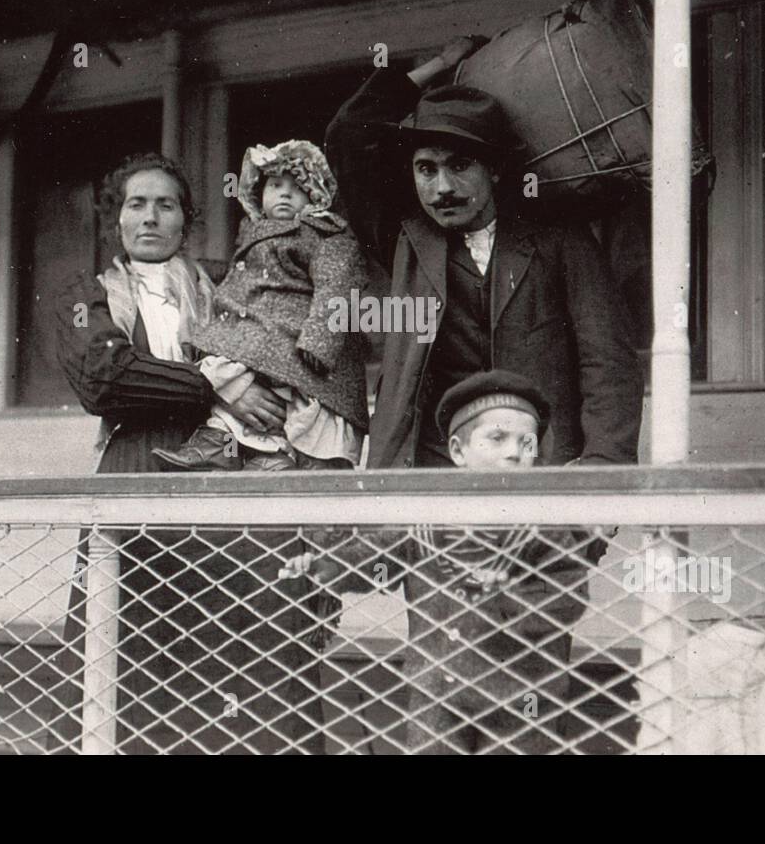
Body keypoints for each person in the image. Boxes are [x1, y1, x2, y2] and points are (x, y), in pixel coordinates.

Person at [49, 151, 330, 753]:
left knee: (243, 650)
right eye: (136, 204)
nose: (150, 217)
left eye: (166, 205)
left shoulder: (226, 284)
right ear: (116, 219)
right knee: (126, 648)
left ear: (186, 219)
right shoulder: (87, 292)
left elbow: (281, 341)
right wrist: (217, 384)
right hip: (138, 471)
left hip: (232, 477)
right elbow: (106, 378)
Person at [324, 37, 644, 470]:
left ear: (493, 170)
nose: (442, 189)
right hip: (430, 471)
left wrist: (603, 466)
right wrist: (439, 63)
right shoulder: (404, 240)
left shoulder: (560, 240)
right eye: (426, 169)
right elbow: (347, 133)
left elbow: (607, 361)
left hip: (538, 466)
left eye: (459, 166)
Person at [282, 369, 601, 753]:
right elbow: (377, 557)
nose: (515, 452)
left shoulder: (542, 528)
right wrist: (326, 566)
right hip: (436, 692)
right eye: (497, 438)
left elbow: (569, 594)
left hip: (520, 695)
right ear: (458, 451)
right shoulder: (426, 522)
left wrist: (506, 599)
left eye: (527, 443)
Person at [156, 140, 369, 471]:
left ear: (315, 196)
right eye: (275, 185)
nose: (284, 193)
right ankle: (220, 443)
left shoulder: (324, 234)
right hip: (256, 329)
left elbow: (337, 284)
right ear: (258, 193)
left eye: (297, 187)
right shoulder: (252, 234)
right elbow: (241, 276)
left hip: (293, 333)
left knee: (297, 402)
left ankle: (276, 456)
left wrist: (319, 339)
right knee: (223, 366)